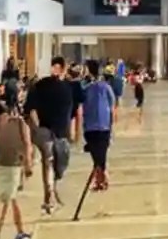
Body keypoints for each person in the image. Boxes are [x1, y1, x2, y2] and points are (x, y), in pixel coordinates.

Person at [24, 56, 76, 214]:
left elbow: (30, 109)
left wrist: (37, 126)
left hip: (47, 131)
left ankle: (50, 194)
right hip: (58, 132)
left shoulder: (41, 85)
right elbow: (71, 113)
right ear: (62, 68)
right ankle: (50, 196)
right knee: (54, 163)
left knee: (50, 163)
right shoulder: (66, 88)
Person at [0, 102, 34, 239]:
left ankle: (14, 233)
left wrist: (28, 164)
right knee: (9, 200)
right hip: (2, 167)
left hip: (14, 167)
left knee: (10, 200)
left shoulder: (19, 123)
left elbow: (27, 144)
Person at [82, 60, 117, 190]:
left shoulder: (87, 89)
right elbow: (112, 106)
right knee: (99, 156)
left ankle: (102, 179)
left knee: (98, 156)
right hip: (101, 126)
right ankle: (101, 179)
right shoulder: (103, 88)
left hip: (94, 127)